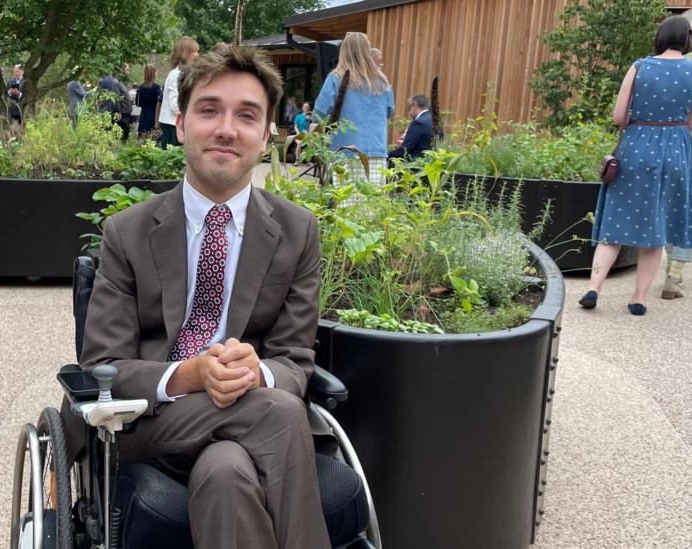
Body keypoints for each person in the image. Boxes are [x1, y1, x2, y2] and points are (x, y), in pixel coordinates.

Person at [72, 46, 332, 549]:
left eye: (247, 116)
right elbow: (102, 363)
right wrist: (190, 375)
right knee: (278, 413)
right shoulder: (127, 232)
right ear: (182, 122)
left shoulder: (297, 233)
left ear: (266, 135)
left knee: (227, 473)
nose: (226, 129)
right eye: (210, 110)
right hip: (143, 424)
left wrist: (257, 372)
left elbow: (296, 362)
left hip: (244, 429)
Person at [580, 15, 692, 315]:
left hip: (637, 147)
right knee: (656, 228)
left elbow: (619, 116)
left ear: (660, 36)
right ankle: (639, 299)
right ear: (686, 39)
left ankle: (594, 288)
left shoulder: (639, 66)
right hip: (676, 150)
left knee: (615, 223)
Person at [314, 32, 394, 185]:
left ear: (344, 51)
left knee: (346, 204)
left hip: (345, 151)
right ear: (367, 51)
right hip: (377, 150)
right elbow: (389, 111)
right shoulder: (382, 81)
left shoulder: (336, 78)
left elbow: (319, 114)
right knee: (373, 204)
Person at [156, 36, 199, 148]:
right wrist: (188, 114)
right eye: (196, 52)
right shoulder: (176, 74)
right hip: (172, 125)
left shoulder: (181, 73)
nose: (198, 55)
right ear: (187, 53)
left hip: (175, 123)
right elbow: (174, 103)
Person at [388, 95, 439, 160]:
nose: (409, 112)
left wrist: (387, 155)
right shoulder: (437, 121)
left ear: (414, 105)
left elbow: (405, 149)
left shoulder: (418, 123)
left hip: (416, 165)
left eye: (408, 108)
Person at [99, 71, 132, 141]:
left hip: (124, 110)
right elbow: (116, 97)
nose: (128, 70)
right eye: (126, 68)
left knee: (122, 132)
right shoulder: (116, 83)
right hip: (123, 111)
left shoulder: (118, 82)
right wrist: (118, 111)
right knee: (123, 132)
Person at [135, 64, 162, 137]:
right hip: (154, 115)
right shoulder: (157, 88)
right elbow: (159, 103)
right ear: (153, 73)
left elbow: (138, 103)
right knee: (152, 138)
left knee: (142, 136)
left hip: (143, 115)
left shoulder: (140, 87)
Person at [6, 64, 24, 128]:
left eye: (18, 71)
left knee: (22, 126)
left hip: (22, 107)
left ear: (22, 71)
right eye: (15, 71)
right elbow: (6, 95)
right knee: (13, 126)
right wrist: (10, 92)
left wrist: (19, 93)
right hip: (13, 108)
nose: (17, 73)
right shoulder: (10, 82)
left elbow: (27, 94)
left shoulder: (25, 82)